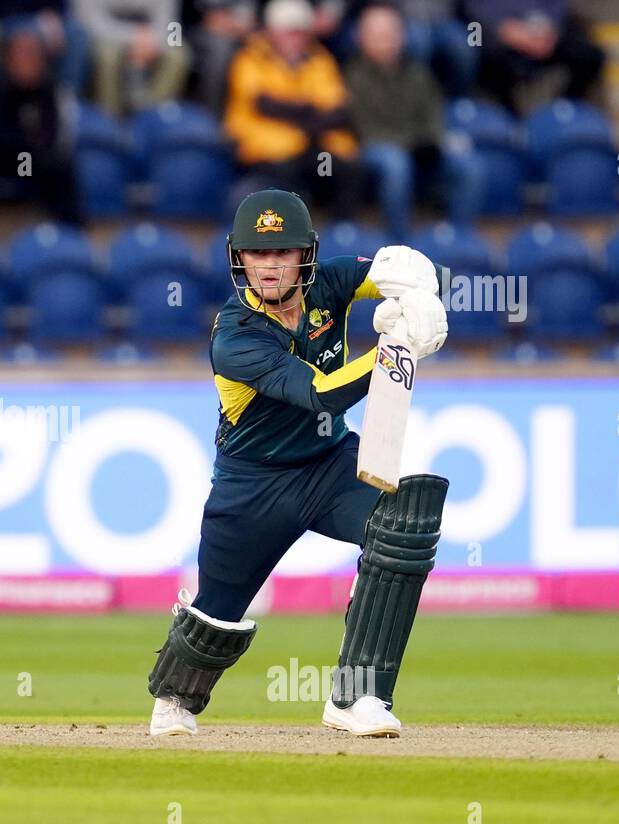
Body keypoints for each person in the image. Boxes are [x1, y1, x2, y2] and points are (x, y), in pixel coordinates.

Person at [145, 188, 449, 738]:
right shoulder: (235, 337)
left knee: (403, 525)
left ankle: (359, 697)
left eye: (281, 252)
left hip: (330, 465)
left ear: (304, 255)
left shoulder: (331, 282)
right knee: (217, 612)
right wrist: (395, 348)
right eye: (257, 254)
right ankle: (173, 699)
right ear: (238, 258)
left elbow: (399, 265)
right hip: (252, 485)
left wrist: (422, 298)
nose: (268, 266)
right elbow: (323, 394)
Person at [344, 3, 482, 237]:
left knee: (468, 164)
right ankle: (400, 242)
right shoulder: (352, 77)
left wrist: (432, 141)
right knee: (396, 164)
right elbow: (363, 128)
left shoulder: (418, 73)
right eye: (378, 36)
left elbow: (433, 115)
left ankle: (460, 239)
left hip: (419, 148)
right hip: (373, 150)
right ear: (361, 38)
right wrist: (411, 143)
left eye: (391, 34)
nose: (386, 41)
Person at [223, 0, 363, 219]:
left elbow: (337, 109)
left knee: (345, 167)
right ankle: (294, 232)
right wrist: (309, 110)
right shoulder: (250, 57)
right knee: (288, 171)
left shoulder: (319, 58)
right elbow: (264, 104)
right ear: (271, 31)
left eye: (300, 32)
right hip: (263, 146)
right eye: (288, 32)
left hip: (309, 140)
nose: (295, 38)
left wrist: (303, 115)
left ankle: (343, 232)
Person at [0, 21, 81, 224]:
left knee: (60, 163)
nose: (30, 61)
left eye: (34, 55)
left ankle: (70, 226)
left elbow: (51, 126)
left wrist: (37, 145)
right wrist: (28, 142)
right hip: (0, 154)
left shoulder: (46, 84)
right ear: (10, 58)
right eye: (23, 55)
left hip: (27, 156)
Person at [464, 0, 604, 114]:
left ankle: (564, 111)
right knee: (482, 53)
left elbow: (557, 7)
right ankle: (508, 119)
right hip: (495, 35)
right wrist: (504, 30)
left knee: (588, 54)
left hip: (542, 30)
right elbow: (474, 10)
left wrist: (550, 30)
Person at [78, 0, 192, 116]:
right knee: (107, 56)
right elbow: (88, 21)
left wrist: (151, 41)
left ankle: (151, 117)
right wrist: (133, 38)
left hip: (153, 38)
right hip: (106, 37)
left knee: (178, 55)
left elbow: (172, 24)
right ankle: (110, 119)